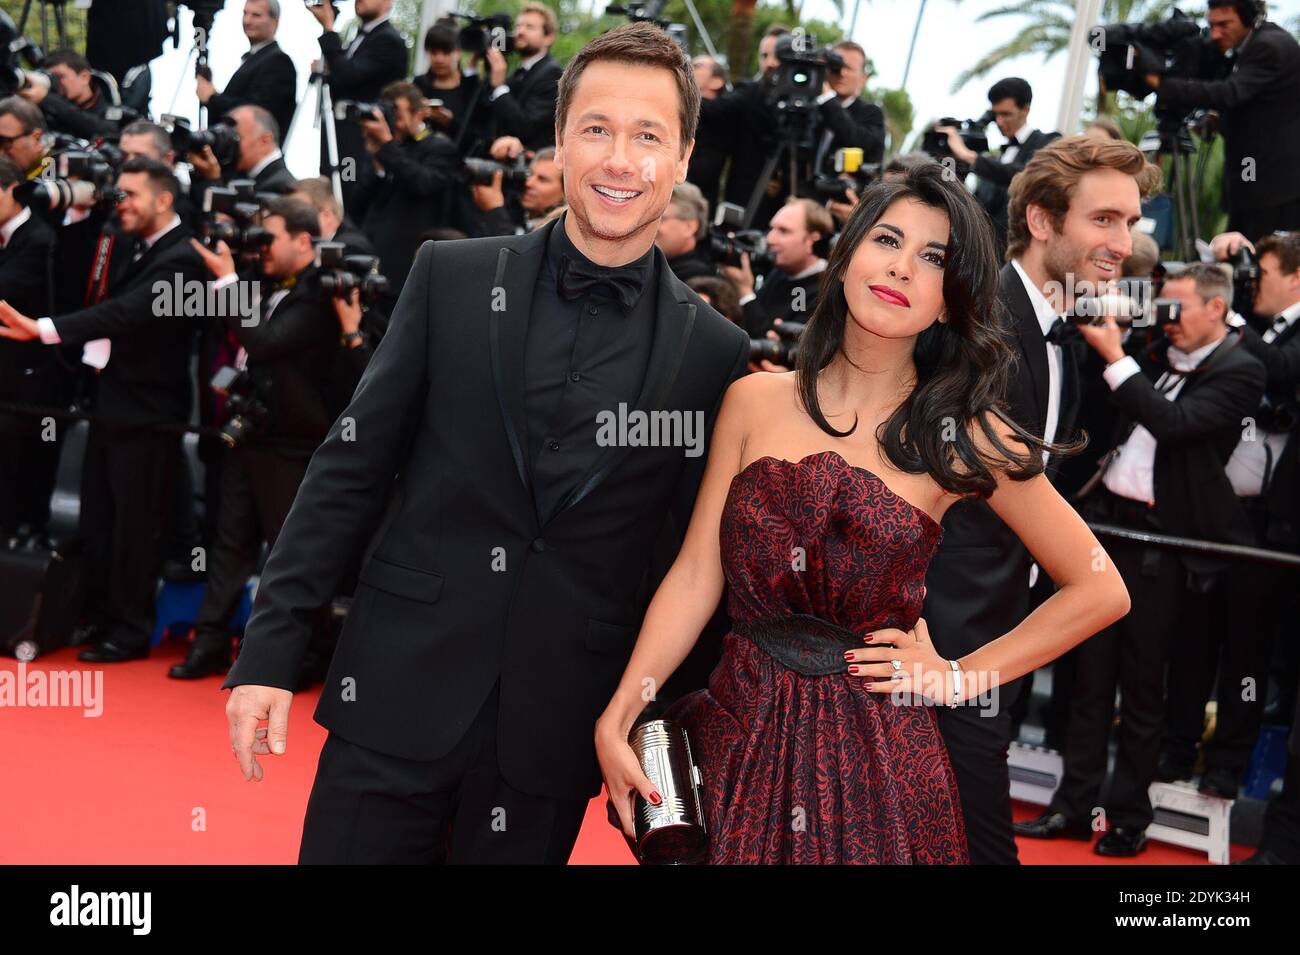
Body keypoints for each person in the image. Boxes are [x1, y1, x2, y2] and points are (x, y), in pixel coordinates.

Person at [220, 23, 749, 865]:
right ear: (561, 138)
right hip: (393, 696)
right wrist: (269, 649)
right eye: (598, 129)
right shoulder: (454, 278)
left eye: (648, 135)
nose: (620, 159)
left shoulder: (717, 352)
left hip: (550, 739)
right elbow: (348, 469)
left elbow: (684, 565)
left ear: (683, 157)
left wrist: (659, 731)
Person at [595, 162, 1131, 864]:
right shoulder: (753, 401)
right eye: (887, 239)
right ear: (846, 257)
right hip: (738, 731)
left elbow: (1101, 587)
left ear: (950, 299)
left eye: (933, 257)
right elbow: (698, 575)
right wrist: (626, 703)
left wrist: (959, 674)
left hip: (874, 763)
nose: (903, 268)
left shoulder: (967, 434)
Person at [923, 134, 1162, 863]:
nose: (1123, 242)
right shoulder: (974, 321)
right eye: (1104, 220)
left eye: (1131, 222)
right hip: (942, 637)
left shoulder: (1066, 335)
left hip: (1007, 630)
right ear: (1040, 220)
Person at [1018, 264, 1264, 857]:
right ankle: (1073, 807)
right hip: (1110, 531)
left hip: (1165, 545)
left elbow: (1175, 425)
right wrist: (1115, 332)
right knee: (1089, 681)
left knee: (1144, 685)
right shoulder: (1157, 351)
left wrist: (1115, 355)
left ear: (1214, 308)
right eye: (1163, 309)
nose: (1167, 321)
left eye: (1177, 309)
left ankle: (1129, 815)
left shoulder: (1242, 370)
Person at [0, 158, 205, 663]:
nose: (122, 203)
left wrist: (44, 329)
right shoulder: (132, 242)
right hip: (110, 403)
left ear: (163, 199)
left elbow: (126, 313)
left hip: (149, 410)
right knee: (99, 520)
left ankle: (130, 630)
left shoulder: (184, 257)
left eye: (131, 194)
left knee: (137, 525)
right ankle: (94, 613)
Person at [1150, 0, 1300, 238]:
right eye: (1212, 25)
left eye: (1224, 24)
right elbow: (1258, 109)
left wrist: (1162, 84)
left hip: (1275, 192)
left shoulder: (1269, 46)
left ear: (1250, 18)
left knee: (1265, 263)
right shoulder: (1250, 48)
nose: (1216, 33)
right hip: (1258, 189)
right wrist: (1219, 121)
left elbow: (1229, 93)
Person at [936, 77, 1060, 254]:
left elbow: (1024, 175)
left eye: (1006, 114)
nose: (1000, 122)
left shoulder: (1048, 142)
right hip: (981, 253)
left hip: (1013, 257)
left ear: (1025, 110)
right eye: (996, 115)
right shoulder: (997, 158)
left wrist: (969, 156)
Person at [306, 0, 406, 211]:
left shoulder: (388, 40)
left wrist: (329, 29)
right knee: (330, 192)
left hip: (359, 143)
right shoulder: (362, 37)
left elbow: (349, 75)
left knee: (346, 196)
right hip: (339, 137)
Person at [198, 0, 297, 145]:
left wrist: (212, 98)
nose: (247, 20)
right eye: (245, 13)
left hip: (253, 156)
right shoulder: (258, 58)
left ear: (275, 23)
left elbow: (255, 113)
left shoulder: (279, 62)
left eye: (256, 15)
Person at [657, 182, 714, 282]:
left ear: (689, 227)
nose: (651, 226)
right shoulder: (655, 266)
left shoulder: (697, 280)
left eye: (661, 219)